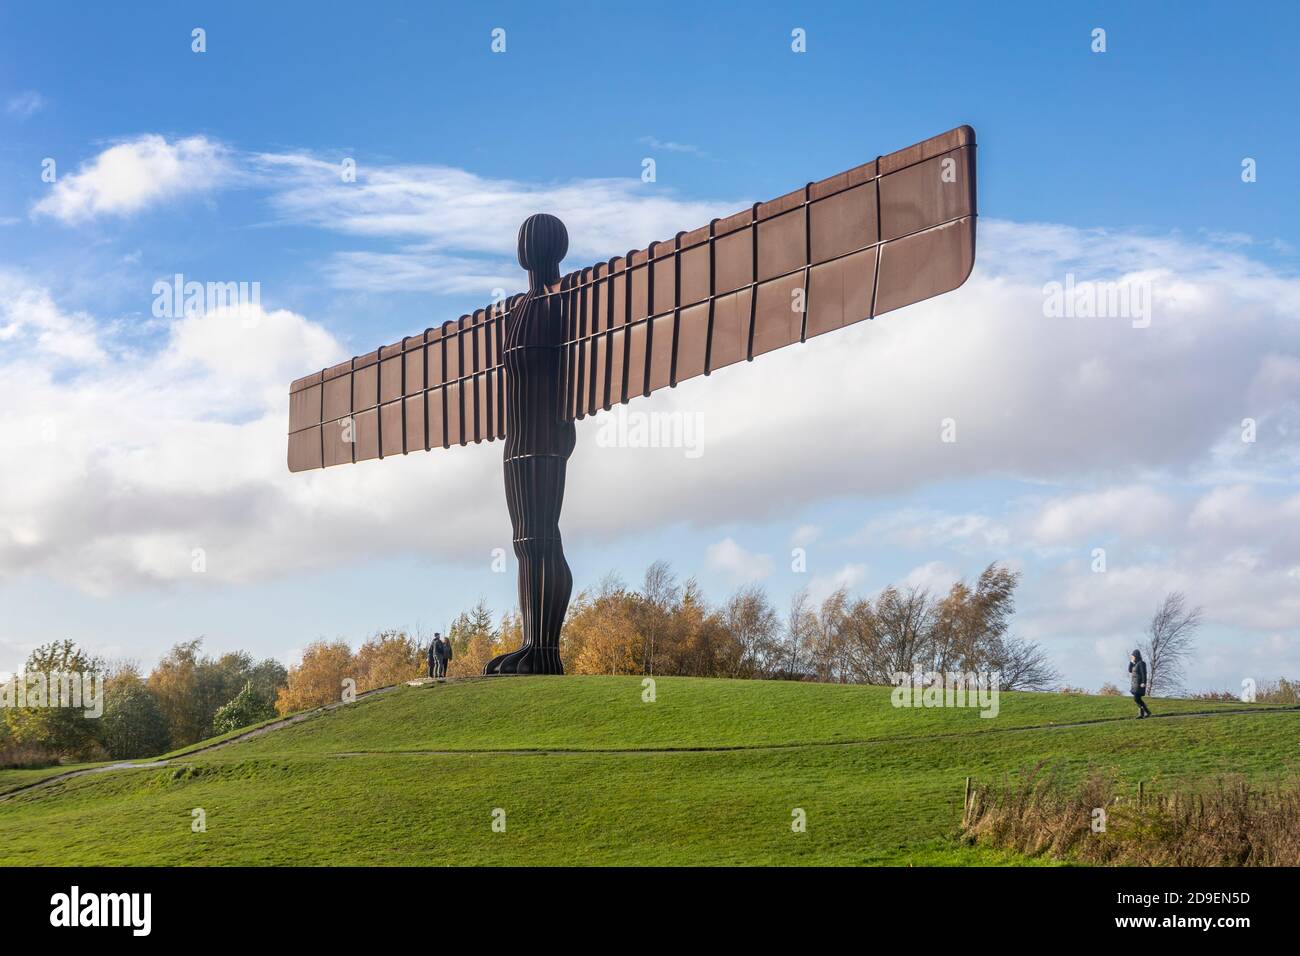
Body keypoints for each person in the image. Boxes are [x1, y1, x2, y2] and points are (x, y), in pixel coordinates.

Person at [1129, 649, 1152, 719]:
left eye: (1133, 656)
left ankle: (1146, 712)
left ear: (1136, 656)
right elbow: (1130, 670)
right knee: (1137, 699)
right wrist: (1131, 662)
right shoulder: (1135, 664)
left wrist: (1143, 682)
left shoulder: (1142, 663)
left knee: (1136, 699)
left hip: (1139, 684)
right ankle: (1142, 714)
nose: (1132, 657)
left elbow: (1143, 673)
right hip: (1134, 684)